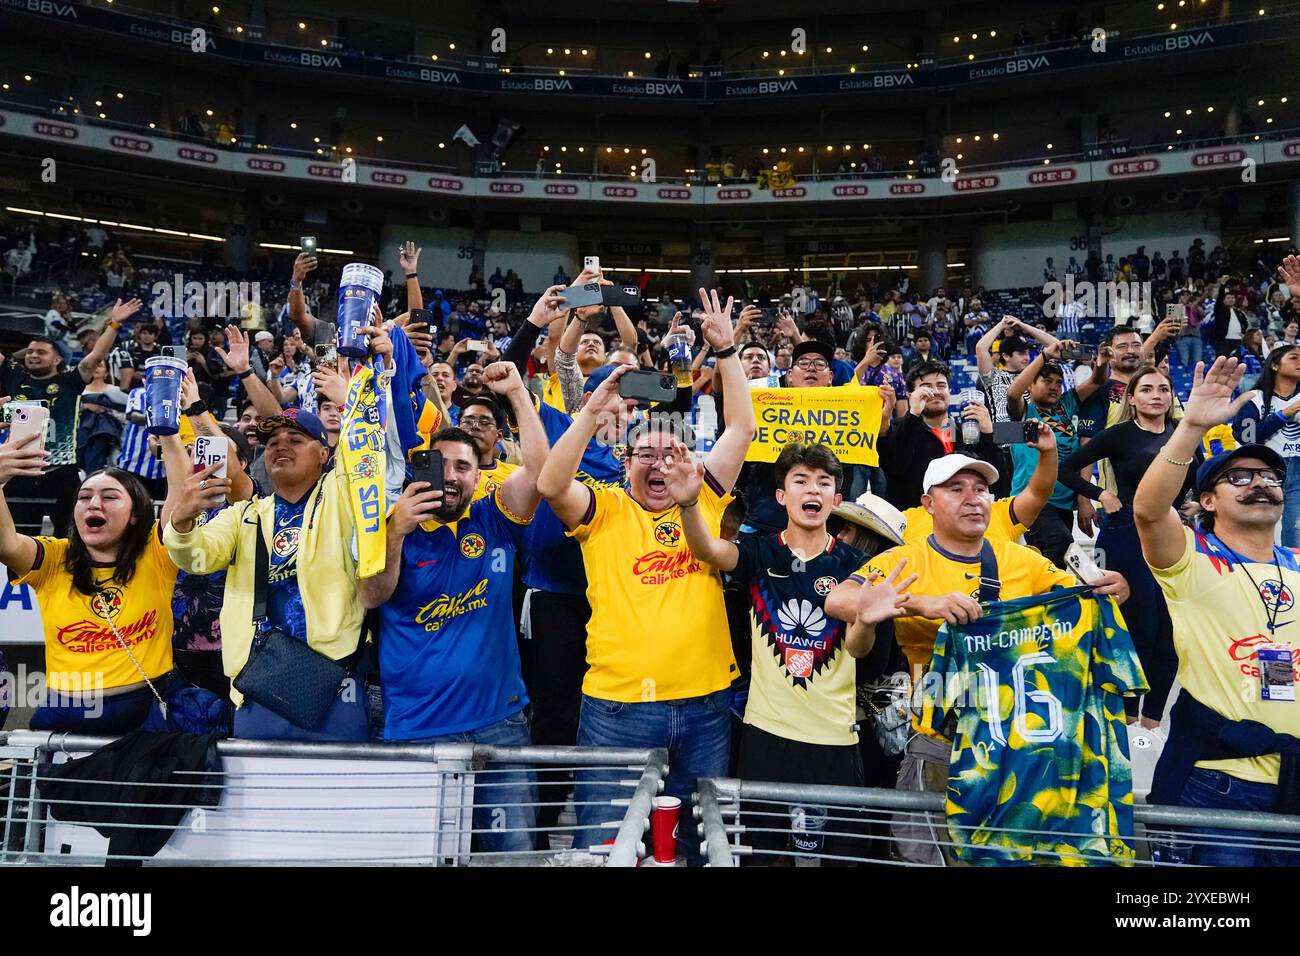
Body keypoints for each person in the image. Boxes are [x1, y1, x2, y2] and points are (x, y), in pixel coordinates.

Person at [535, 288, 755, 863]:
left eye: (671, 454)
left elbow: (741, 430)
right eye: (644, 455)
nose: (659, 464)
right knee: (607, 847)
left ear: (689, 461)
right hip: (617, 711)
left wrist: (727, 350)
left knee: (696, 848)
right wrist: (590, 408)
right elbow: (552, 485)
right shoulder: (605, 507)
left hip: (706, 705)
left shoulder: (703, 498)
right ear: (624, 462)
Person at [824, 453, 1130, 863]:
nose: (973, 499)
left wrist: (1113, 588)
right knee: (929, 855)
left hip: (1017, 746)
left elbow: (1085, 596)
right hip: (939, 743)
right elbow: (838, 598)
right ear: (928, 503)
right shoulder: (906, 561)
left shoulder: (1022, 560)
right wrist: (922, 603)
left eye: (982, 489)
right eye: (956, 489)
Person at [662, 440, 916, 862]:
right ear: (782, 495)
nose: (811, 490)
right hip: (766, 737)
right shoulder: (760, 552)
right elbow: (709, 550)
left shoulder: (858, 568)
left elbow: (858, 651)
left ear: (836, 499)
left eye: (823, 483)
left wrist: (867, 621)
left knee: (844, 858)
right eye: (800, 480)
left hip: (835, 739)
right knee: (761, 857)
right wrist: (689, 507)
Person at [163, 320, 405, 741]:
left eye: (296, 438)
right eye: (273, 440)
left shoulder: (345, 496)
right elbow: (195, 555)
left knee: (336, 802)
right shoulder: (246, 515)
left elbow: (371, 457)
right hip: (261, 687)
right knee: (262, 805)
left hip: (335, 683)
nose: (280, 445)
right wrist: (181, 522)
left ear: (324, 453)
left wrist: (364, 388)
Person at [358, 362, 548, 854]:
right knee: (417, 858)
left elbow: (543, 472)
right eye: (438, 465)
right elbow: (372, 596)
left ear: (477, 474)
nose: (450, 476)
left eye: (462, 467)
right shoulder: (387, 525)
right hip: (415, 727)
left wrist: (518, 395)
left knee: (513, 856)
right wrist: (396, 530)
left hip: (499, 723)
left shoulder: (495, 516)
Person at [1133, 357, 1300, 866]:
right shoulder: (1192, 559)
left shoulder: (1297, 565)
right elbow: (1147, 509)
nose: (1260, 482)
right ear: (1207, 499)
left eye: (1269, 475)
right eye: (1239, 477)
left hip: (1291, 784)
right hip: (1216, 783)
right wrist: (1192, 428)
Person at [0, 431, 189, 732]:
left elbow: (181, 502)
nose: (93, 504)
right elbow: (7, 544)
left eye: (110, 497)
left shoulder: (156, 551)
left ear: (135, 515)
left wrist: (167, 431)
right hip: (67, 712)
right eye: (84, 497)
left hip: (145, 706)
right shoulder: (53, 558)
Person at [1058, 367, 1184, 727]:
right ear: (1132, 398)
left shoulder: (1180, 437)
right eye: (1146, 389)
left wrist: (1191, 502)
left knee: (1171, 632)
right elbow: (1063, 469)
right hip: (1126, 534)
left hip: (1172, 538)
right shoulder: (1119, 435)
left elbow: (1199, 477)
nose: (1156, 395)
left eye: (1164, 388)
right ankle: (1127, 715)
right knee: (1138, 627)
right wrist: (1099, 494)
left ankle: (1153, 719)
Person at [0, 298, 140, 535]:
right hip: (20, 469)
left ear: (57, 360)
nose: (33, 355)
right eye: (30, 351)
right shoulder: (15, 376)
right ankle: (22, 575)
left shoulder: (70, 381)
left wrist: (113, 324)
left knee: (69, 537)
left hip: (61, 470)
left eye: (41, 352)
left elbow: (96, 355)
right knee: (18, 535)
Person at [1005, 341, 1107, 567]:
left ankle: (1045, 599)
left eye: (1059, 383)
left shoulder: (1066, 405)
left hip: (1063, 502)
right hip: (1032, 499)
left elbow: (1098, 380)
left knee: (1054, 560)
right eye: (1047, 381)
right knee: (1061, 544)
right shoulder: (1024, 413)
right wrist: (1043, 356)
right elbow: (1012, 393)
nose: (1054, 387)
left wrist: (1101, 364)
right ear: (1030, 386)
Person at [880, 361, 998, 510]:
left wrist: (988, 432)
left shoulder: (966, 433)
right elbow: (895, 466)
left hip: (959, 521)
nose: (935, 391)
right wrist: (913, 414)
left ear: (949, 391)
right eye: (926, 386)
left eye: (941, 386)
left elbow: (997, 483)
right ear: (911, 395)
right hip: (914, 523)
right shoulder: (898, 429)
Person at [1232, 343, 1300, 548]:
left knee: (1295, 535)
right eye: (1294, 357)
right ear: (1275, 366)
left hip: (1298, 472)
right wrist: (1285, 413)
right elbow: (1248, 437)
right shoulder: (1255, 398)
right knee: (1261, 534)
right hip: (1265, 472)